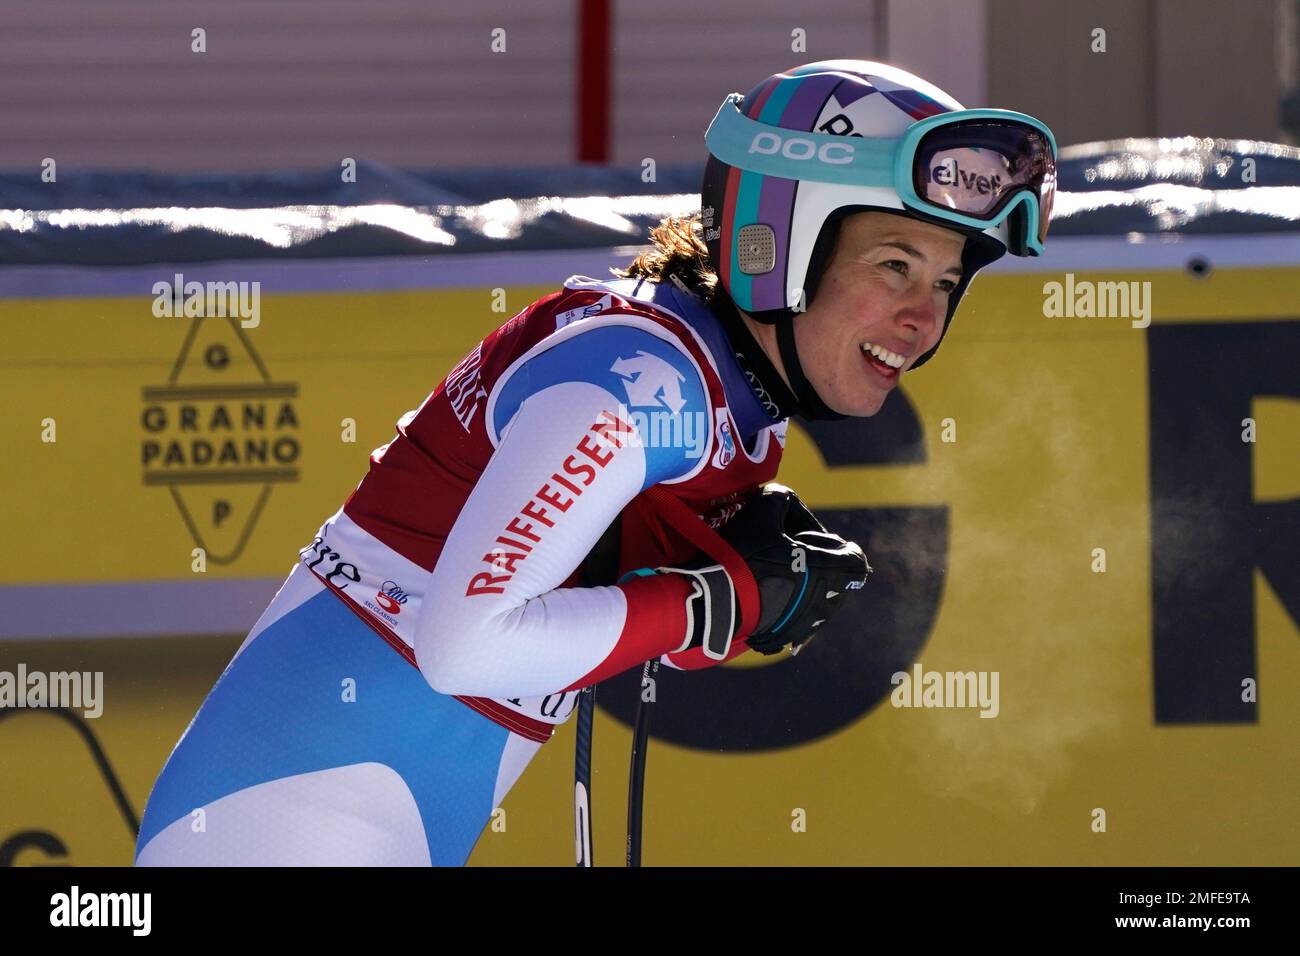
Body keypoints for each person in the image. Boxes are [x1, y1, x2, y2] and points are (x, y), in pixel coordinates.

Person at [134, 59, 1056, 866]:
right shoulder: (646, 383)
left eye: (943, 282)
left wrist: (707, 595)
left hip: (356, 815)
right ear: (782, 242)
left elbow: (577, 617)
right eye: (895, 265)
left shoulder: (730, 397)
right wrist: (712, 602)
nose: (923, 317)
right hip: (287, 825)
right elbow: (466, 646)